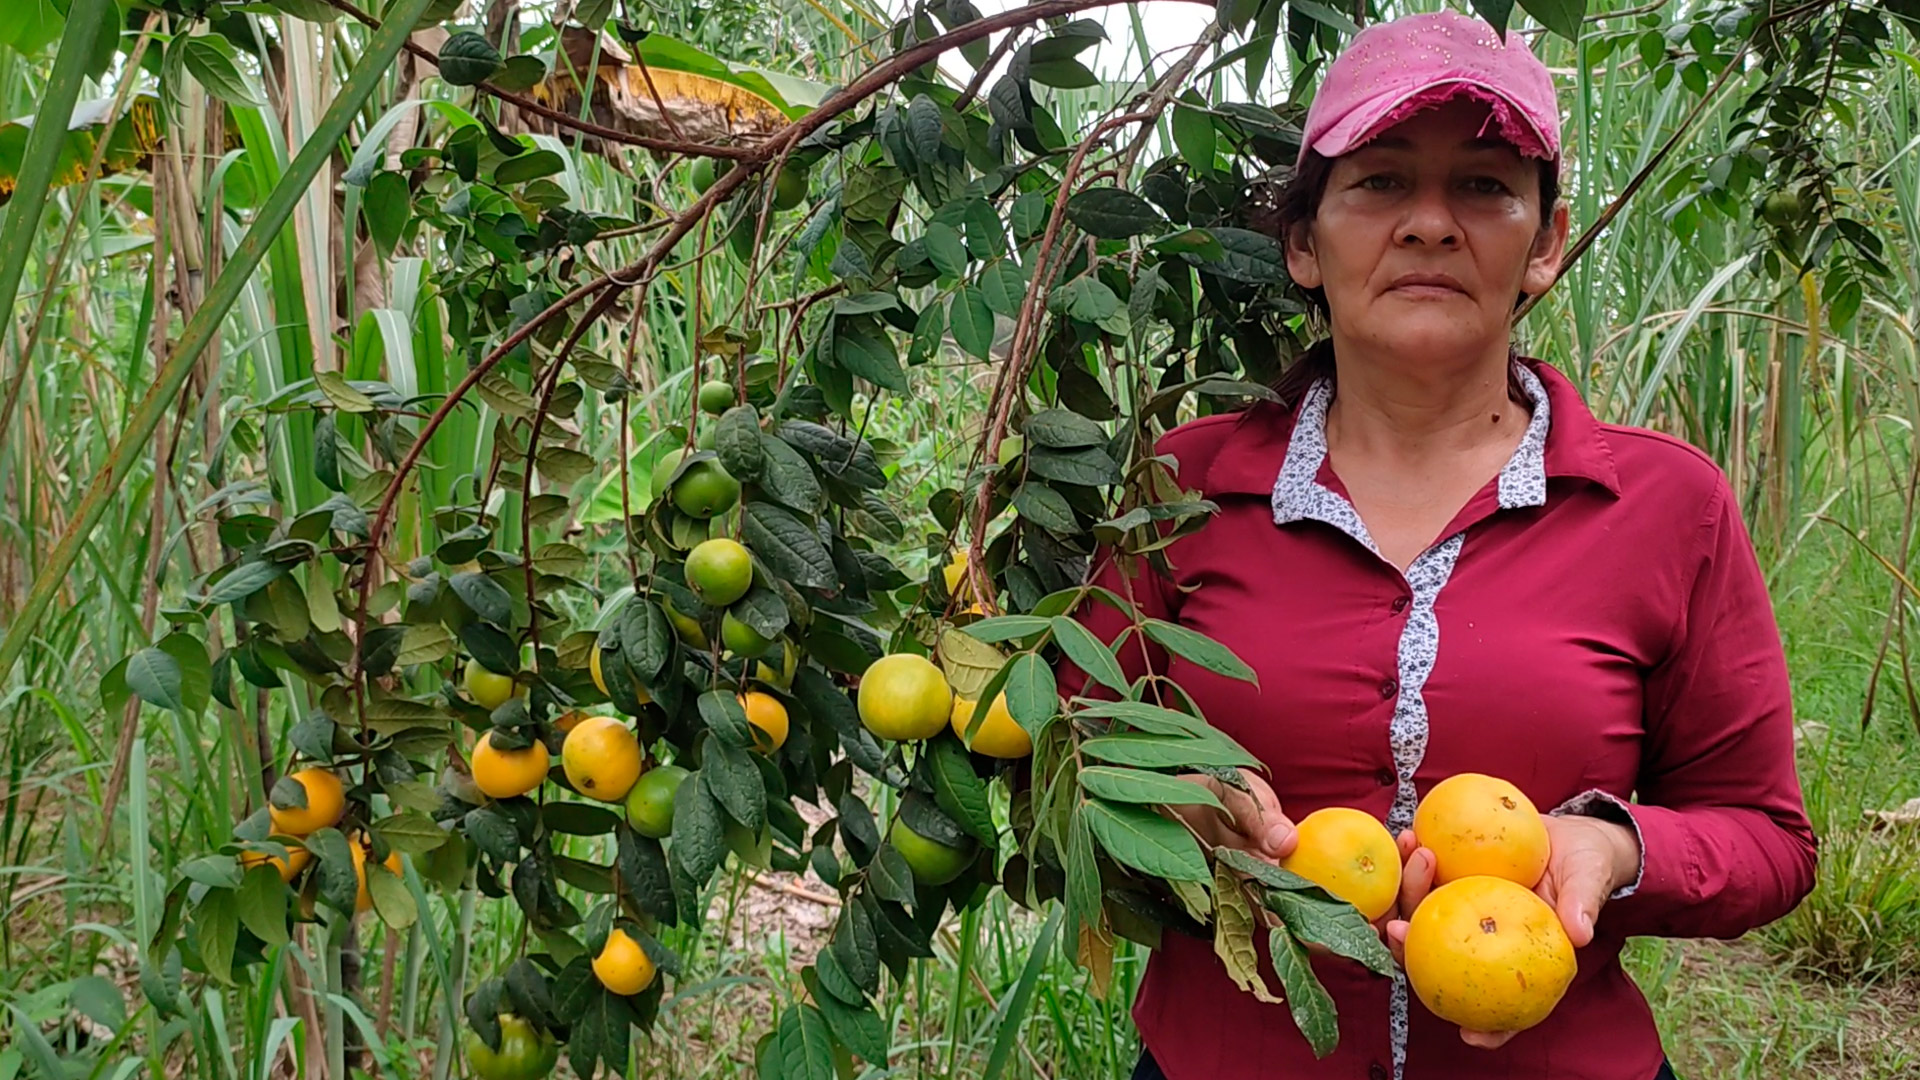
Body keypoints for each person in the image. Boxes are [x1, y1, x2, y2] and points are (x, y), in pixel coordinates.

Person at [1056, 11, 1818, 1080]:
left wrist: (1615, 848)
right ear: (1302, 244)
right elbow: (1068, 739)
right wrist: (1165, 801)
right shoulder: (1185, 485)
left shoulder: (1665, 506)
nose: (1429, 224)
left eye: (1483, 186)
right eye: (1378, 182)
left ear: (1545, 244)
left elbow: (1768, 840)